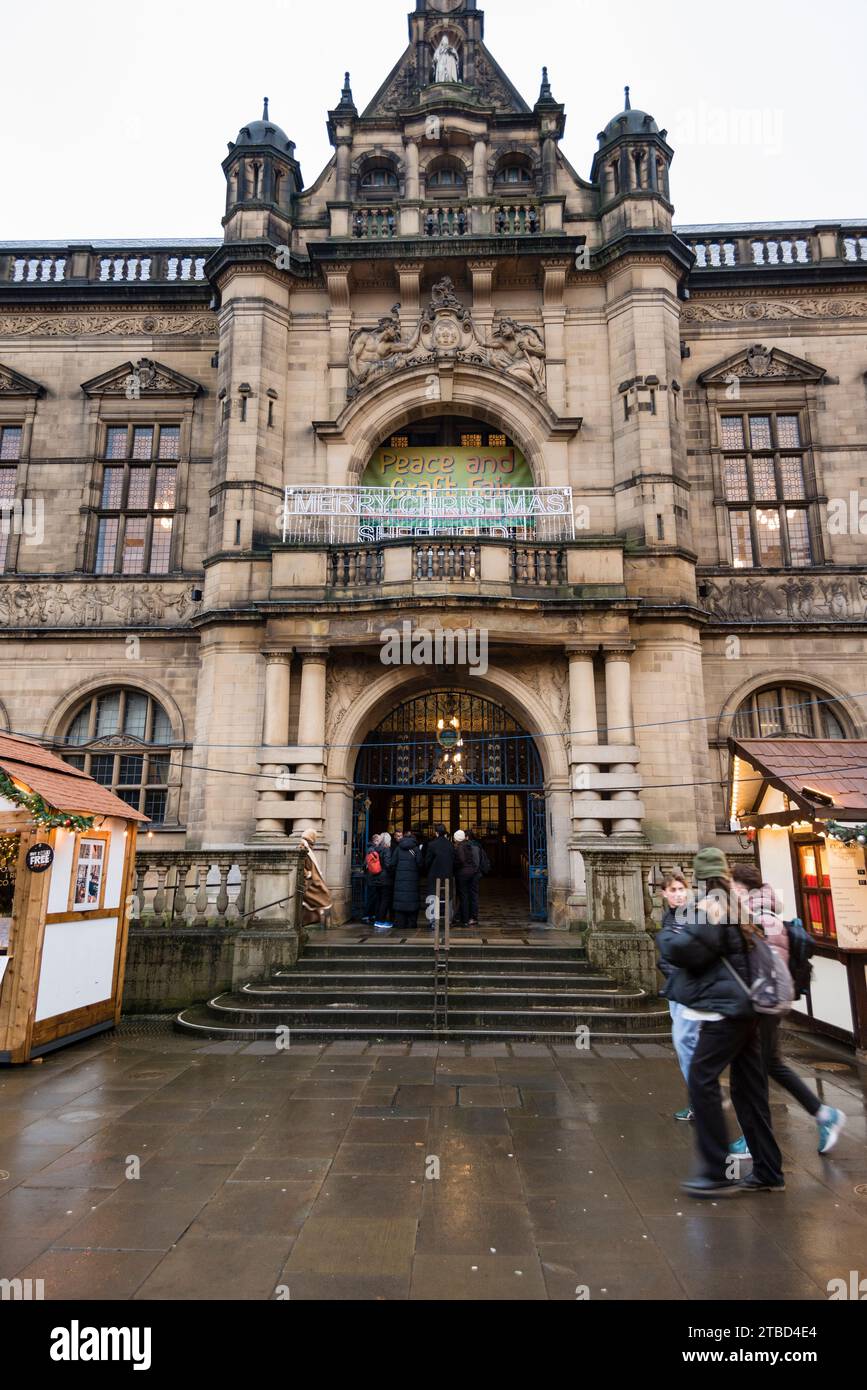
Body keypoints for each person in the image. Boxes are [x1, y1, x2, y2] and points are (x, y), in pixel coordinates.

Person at [659, 846, 784, 1198]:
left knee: (701, 1078)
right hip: (749, 1010)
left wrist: (665, 933)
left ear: (701, 875)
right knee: (749, 1091)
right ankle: (769, 1170)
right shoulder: (735, 904)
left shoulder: (712, 905)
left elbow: (687, 950)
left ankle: (715, 1171)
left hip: (726, 1011)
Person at [728, 864, 846, 1157]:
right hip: (764, 1006)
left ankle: (755, 1138)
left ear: (743, 888)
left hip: (763, 1007)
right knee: (771, 1065)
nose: (728, 891)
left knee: (754, 1073)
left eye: (732, 886)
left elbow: (763, 971)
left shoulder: (761, 919)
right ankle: (823, 1115)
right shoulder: (754, 913)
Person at [656, 872, 697, 1121]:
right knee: (687, 1051)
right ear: (664, 893)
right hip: (676, 991)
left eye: (682, 889)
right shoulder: (669, 917)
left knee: (688, 1050)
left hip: (688, 994)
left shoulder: (693, 917)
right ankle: (698, 1102)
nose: (678, 894)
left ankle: (700, 1104)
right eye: (673, 890)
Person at [299, 827, 333, 928]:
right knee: (324, 897)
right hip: (310, 882)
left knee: (311, 904)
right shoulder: (302, 846)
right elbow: (299, 863)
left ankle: (305, 921)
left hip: (313, 880)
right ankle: (304, 921)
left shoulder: (307, 846)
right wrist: (307, 874)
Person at [424, 824, 455, 928]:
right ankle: (449, 920)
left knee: (433, 896)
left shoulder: (432, 844)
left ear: (436, 832)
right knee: (448, 896)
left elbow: (427, 861)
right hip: (447, 874)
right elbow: (454, 860)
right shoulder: (450, 844)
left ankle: (433, 922)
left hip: (434, 874)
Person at [391, 830, 422, 931]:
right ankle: (412, 924)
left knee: (400, 903)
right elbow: (420, 864)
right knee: (412, 902)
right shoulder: (416, 849)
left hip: (400, 880)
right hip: (412, 881)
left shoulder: (398, 849)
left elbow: (392, 864)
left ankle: (400, 923)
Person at [453, 829, 479, 927]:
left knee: (463, 896)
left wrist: (454, 866)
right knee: (469, 895)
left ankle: (464, 919)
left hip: (463, 874)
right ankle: (470, 917)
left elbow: (461, 860)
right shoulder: (468, 845)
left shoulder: (459, 847)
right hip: (472, 872)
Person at [373, 832, 394, 931]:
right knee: (385, 900)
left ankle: (377, 920)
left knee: (379, 899)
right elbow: (388, 864)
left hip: (377, 877)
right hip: (385, 878)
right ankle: (381, 920)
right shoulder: (386, 850)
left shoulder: (376, 849)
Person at [363, 833, 383, 924]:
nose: (380, 842)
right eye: (379, 841)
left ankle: (371, 915)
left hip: (371, 877)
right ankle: (366, 916)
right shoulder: (372, 850)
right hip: (372, 877)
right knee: (372, 898)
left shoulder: (370, 849)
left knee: (373, 897)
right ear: (375, 841)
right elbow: (370, 865)